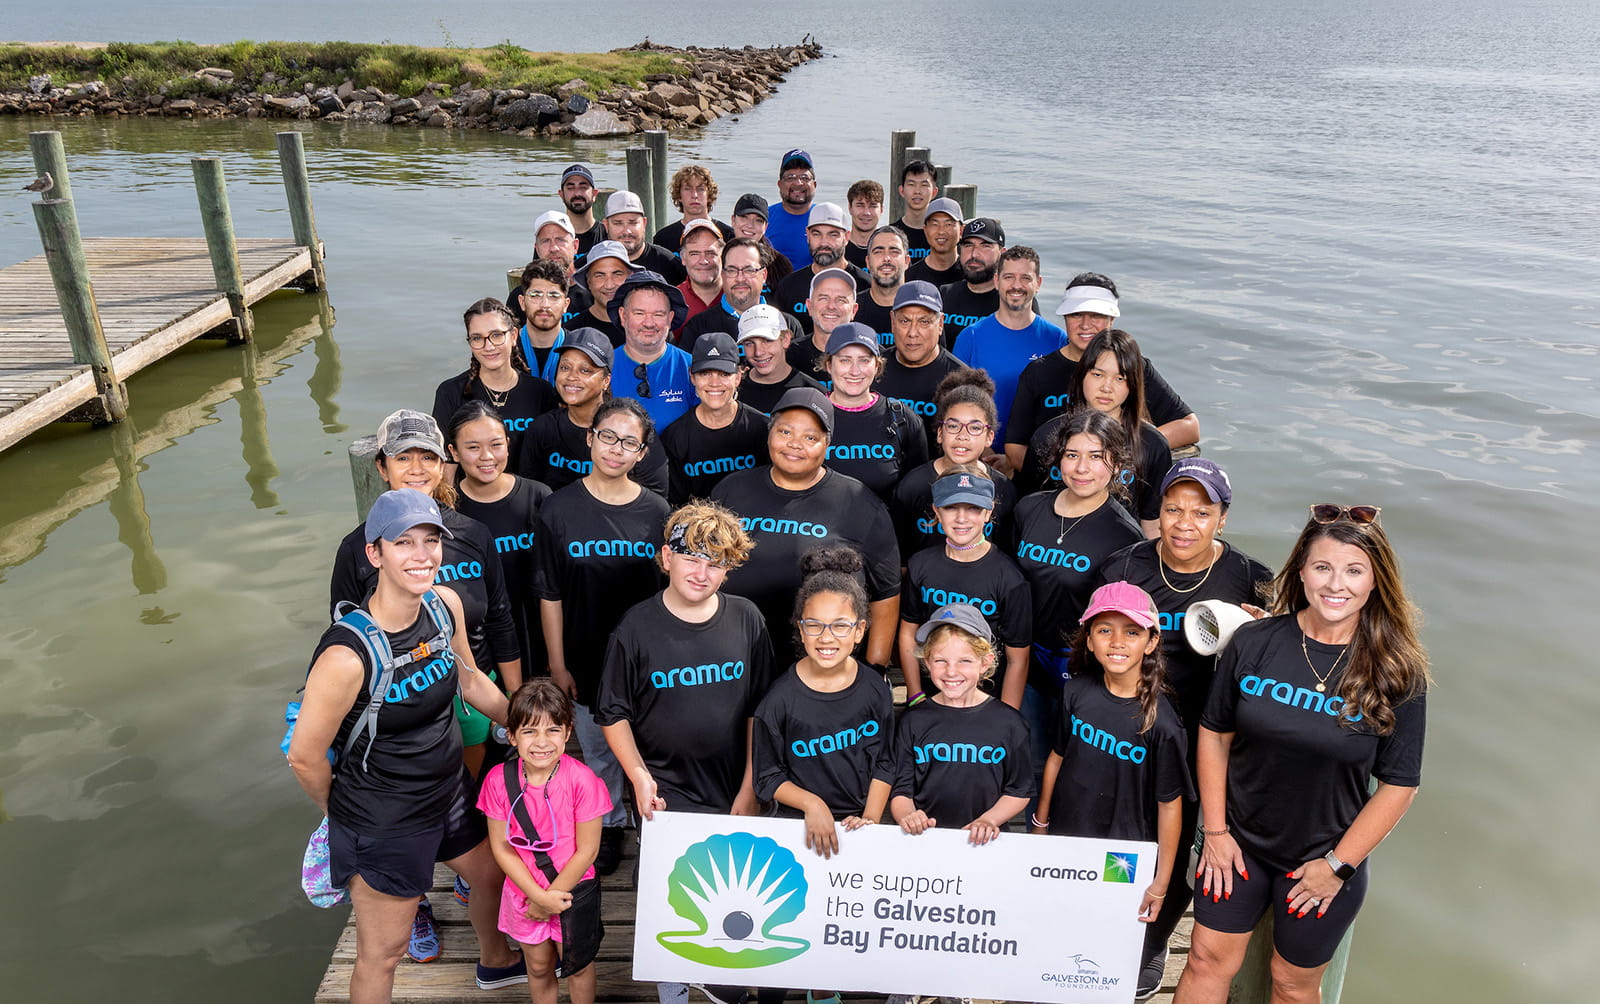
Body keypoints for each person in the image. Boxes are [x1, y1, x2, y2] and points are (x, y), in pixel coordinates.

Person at [1176, 508, 1429, 1004]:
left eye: (1354, 570)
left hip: (1323, 857)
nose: (1336, 584)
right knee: (1205, 959)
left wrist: (1337, 866)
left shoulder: (1396, 671)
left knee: (1292, 986)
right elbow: (1214, 734)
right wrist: (1217, 833)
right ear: (1301, 571)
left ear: (1376, 580)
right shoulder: (1254, 642)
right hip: (1238, 846)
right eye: (1322, 567)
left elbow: (1399, 785)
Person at [289, 488, 523, 1001]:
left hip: (449, 790)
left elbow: (470, 681)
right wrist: (344, 814)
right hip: (385, 818)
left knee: (491, 875)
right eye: (404, 543)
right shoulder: (345, 656)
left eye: (431, 540)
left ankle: (498, 960)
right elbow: (303, 757)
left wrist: (526, 725)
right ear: (374, 554)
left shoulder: (443, 606)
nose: (422, 555)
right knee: (384, 953)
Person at [1096, 458, 1273, 993]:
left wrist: (1267, 629)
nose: (1185, 524)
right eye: (1173, 509)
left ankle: (1153, 943)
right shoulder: (1125, 565)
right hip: (1130, 723)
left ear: (1222, 518)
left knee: (1179, 838)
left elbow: (1287, 652)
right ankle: (1101, 923)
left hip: (1203, 735)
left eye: (1201, 512)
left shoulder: (1250, 578)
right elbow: (1095, 641)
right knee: (1117, 827)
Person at [596, 502, 775, 1004]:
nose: (701, 572)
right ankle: (673, 981)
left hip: (732, 790)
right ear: (665, 558)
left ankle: (721, 978)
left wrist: (750, 788)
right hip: (666, 792)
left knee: (731, 892)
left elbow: (760, 712)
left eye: (715, 563)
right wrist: (638, 776)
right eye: (691, 558)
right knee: (671, 893)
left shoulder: (747, 618)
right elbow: (612, 713)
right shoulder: (635, 627)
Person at [330, 410, 522, 783]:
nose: (416, 469)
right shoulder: (356, 549)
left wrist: (515, 699)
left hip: (472, 684)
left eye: (428, 457)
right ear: (382, 467)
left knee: (469, 784)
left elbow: (500, 618)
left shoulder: (474, 534)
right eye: (403, 457)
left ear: (442, 465)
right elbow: (345, 637)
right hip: (399, 698)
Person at [1031, 581, 1192, 1002]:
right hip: (1068, 837)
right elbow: (1056, 757)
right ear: (1088, 638)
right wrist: (1040, 822)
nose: (1117, 642)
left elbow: (1170, 806)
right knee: (1062, 923)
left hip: (1122, 857)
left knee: (1105, 942)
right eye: (1104, 630)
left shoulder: (1163, 724)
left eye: (1131, 632)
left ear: (1151, 642)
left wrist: (1161, 881)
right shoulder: (1076, 691)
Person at [533, 397, 671, 875]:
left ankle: (652, 821)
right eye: (608, 436)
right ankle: (609, 823)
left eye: (629, 442)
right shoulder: (558, 509)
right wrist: (557, 664)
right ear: (590, 438)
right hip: (586, 654)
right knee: (597, 749)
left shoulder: (657, 512)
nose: (616, 449)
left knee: (647, 745)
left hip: (646, 658)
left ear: (642, 453)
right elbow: (549, 593)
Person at [752, 548, 894, 1004]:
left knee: (842, 926)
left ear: (860, 631)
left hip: (858, 826)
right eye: (814, 625)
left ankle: (825, 988)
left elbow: (887, 760)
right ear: (799, 630)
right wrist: (812, 804)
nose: (826, 636)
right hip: (801, 834)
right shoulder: (779, 700)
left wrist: (871, 819)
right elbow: (767, 778)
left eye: (839, 626)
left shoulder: (875, 690)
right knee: (790, 922)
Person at [710, 388, 901, 669]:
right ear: (769, 434)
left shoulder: (859, 502)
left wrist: (876, 667)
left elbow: (886, 593)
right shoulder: (731, 490)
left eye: (810, 437)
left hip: (822, 668)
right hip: (734, 661)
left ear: (827, 444)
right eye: (785, 432)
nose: (795, 444)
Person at [1009, 410, 1145, 794]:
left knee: (1076, 769)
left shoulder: (1124, 536)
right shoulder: (1028, 509)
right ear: (1058, 458)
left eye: (1096, 456)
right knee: (1028, 763)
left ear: (1116, 463)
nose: (1082, 468)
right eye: (1072, 455)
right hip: (1024, 661)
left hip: (1083, 670)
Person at [479, 679, 611, 1004]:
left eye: (553, 730)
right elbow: (501, 847)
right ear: (512, 736)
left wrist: (548, 900)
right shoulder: (497, 781)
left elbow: (588, 850)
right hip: (524, 892)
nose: (542, 742)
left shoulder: (583, 781)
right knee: (538, 966)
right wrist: (536, 896)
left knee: (578, 965)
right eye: (529, 731)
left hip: (572, 891)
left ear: (567, 733)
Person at [890, 604, 1032, 841]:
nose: (951, 671)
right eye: (940, 660)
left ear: (985, 662)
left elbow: (1019, 790)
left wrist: (989, 820)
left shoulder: (1010, 723)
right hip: (926, 841)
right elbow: (901, 790)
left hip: (985, 844)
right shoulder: (913, 720)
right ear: (927, 661)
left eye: (964, 661)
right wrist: (908, 815)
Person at [1009, 274, 1199, 451]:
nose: (1085, 324)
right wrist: (1071, 464)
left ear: (1111, 319)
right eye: (1076, 314)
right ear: (1065, 317)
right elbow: (1015, 447)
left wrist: (1118, 451)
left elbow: (1189, 426)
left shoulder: (1134, 366)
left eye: (1096, 315)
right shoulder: (1039, 371)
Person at [1017, 329, 1174, 536]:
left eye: (1120, 378)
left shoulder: (1153, 445)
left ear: (1133, 384)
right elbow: (1028, 507)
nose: (1106, 388)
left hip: (1118, 546)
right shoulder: (1046, 436)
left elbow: (1151, 522)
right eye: (1098, 375)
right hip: (1053, 542)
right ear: (1082, 375)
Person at [897, 469, 1031, 710]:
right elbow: (908, 633)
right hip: (931, 698)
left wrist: (1007, 716)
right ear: (937, 510)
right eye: (951, 507)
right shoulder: (920, 565)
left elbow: (1017, 659)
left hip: (986, 703)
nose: (961, 518)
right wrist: (916, 695)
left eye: (973, 508)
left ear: (988, 512)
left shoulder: (1010, 579)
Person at [449, 401, 553, 673]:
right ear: (454, 452)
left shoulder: (539, 496)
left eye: (495, 444)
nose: (486, 456)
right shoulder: (449, 511)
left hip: (539, 630)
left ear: (508, 444)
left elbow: (556, 578)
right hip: (481, 644)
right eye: (473, 447)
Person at [515, 327, 668, 496]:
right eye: (565, 367)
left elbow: (656, 496)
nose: (571, 377)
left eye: (585, 370)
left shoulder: (633, 430)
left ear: (606, 380)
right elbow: (529, 494)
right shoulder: (542, 428)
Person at [891, 369, 1017, 558]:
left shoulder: (1003, 488)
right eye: (953, 426)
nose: (962, 436)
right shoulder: (912, 486)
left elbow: (1005, 553)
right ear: (940, 433)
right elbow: (899, 554)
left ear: (989, 437)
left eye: (975, 427)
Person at [951, 245, 1066, 451]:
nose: (1016, 285)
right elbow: (956, 405)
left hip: (1036, 455)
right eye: (1009, 277)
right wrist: (983, 451)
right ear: (997, 281)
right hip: (982, 454)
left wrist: (1019, 458)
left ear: (1038, 284)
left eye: (1025, 278)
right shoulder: (970, 337)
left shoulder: (1057, 339)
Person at [434, 298, 558, 465]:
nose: (489, 346)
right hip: (471, 481)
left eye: (497, 335)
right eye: (477, 338)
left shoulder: (541, 391)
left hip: (530, 481)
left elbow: (550, 455)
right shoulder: (450, 392)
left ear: (513, 336)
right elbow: (447, 463)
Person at [816, 321, 927, 501]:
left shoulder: (902, 419)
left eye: (864, 360)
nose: (855, 371)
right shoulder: (810, 416)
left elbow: (917, 493)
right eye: (845, 360)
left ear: (876, 366)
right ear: (829, 365)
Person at [659, 331, 768, 504]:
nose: (714, 383)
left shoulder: (763, 429)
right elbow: (675, 503)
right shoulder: (675, 437)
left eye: (724, 374)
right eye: (705, 373)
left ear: (738, 377)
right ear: (692, 377)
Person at [873, 280, 967, 444]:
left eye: (924, 322)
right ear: (893, 322)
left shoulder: (962, 380)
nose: (913, 333)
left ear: (940, 324)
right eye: (905, 321)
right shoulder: (871, 370)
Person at [678, 237, 804, 348]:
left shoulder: (787, 324)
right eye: (732, 270)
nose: (740, 278)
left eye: (749, 270)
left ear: (764, 275)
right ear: (723, 275)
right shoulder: (698, 327)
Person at [608, 270, 695, 430]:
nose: (649, 323)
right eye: (639, 313)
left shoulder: (692, 368)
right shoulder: (603, 369)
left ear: (670, 318)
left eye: (658, 314)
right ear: (623, 316)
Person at [772, 202, 871, 335]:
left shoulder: (866, 285)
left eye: (833, 235)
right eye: (817, 234)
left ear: (847, 237)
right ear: (807, 235)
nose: (824, 242)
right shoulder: (788, 286)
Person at [732, 303, 824, 416]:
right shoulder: (732, 391)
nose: (758, 352)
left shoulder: (813, 394)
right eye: (749, 344)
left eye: (767, 341)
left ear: (785, 339)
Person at [938, 216, 1008, 345]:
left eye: (985, 246)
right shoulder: (944, 294)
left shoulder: (1011, 300)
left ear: (1002, 253)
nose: (974, 254)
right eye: (968, 245)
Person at [787, 266, 861, 381]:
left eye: (841, 300)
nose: (831, 306)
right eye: (823, 298)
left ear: (854, 311)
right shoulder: (788, 356)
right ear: (809, 306)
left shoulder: (871, 355)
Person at [512, 259, 577, 381]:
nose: (544, 305)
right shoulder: (506, 351)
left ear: (566, 304)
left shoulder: (578, 350)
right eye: (535, 295)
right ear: (522, 302)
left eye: (554, 296)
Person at [602, 190, 685, 284]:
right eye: (618, 223)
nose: (626, 231)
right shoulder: (595, 264)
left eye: (633, 223)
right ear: (606, 225)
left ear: (644, 223)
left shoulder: (669, 263)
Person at [652, 164, 735, 251]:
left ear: (709, 195)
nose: (694, 195)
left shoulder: (728, 235)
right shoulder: (663, 238)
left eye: (700, 189)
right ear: (679, 195)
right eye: (687, 189)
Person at [572, 240, 639, 348]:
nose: (609, 285)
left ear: (630, 277)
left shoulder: (647, 327)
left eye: (617, 274)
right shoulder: (574, 332)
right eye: (600, 276)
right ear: (588, 281)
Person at [852, 225, 909, 342]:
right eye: (878, 252)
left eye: (894, 252)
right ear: (868, 262)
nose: (886, 258)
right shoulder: (851, 310)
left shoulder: (923, 310)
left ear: (906, 261)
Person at [767, 148, 818, 270]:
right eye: (790, 177)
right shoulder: (764, 218)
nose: (798, 183)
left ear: (814, 185)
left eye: (805, 178)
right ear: (780, 184)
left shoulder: (825, 218)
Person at [728, 192, 793, 286]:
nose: (750, 225)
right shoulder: (719, 256)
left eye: (758, 220)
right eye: (744, 217)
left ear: (765, 227)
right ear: (733, 220)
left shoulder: (779, 264)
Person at [673, 218, 724, 332]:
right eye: (694, 254)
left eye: (710, 253)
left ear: (722, 256)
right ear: (683, 258)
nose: (703, 261)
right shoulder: (673, 301)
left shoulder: (737, 294)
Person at [905, 198, 962, 287]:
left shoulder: (971, 275)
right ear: (925, 230)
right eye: (934, 224)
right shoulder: (909, 278)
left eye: (948, 224)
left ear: (961, 230)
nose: (941, 231)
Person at [558, 163, 606, 266]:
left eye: (583, 187)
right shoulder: (552, 238)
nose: (577, 193)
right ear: (561, 195)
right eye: (570, 188)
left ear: (594, 194)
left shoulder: (608, 234)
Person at [894, 160, 938, 261]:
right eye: (911, 184)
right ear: (902, 190)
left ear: (934, 192)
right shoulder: (892, 234)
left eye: (924, 185)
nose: (917, 191)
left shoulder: (941, 235)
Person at [843, 179, 884, 269]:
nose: (866, 212)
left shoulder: (890, 250)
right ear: (850, 208)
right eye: (860, 205)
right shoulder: (839, 250)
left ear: (881, 209)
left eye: (872, 206)